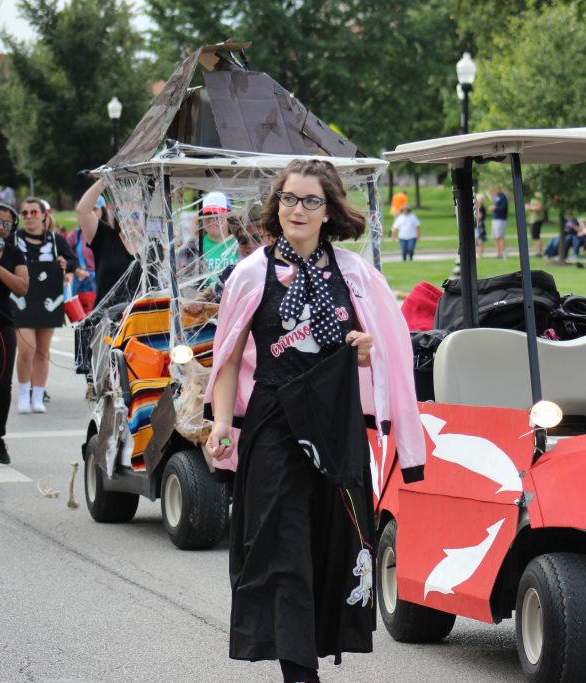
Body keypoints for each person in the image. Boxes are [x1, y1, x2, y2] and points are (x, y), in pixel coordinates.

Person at [204, 158, 426, 682]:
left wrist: (367, 350)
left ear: (329, 211)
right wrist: (219, 422)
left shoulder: (355, 274)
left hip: (336, 427)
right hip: (274, 423)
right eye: (288, 199)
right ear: (275, 204)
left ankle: (312, 652)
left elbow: (384, 354)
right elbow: (229, 357)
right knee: (282, 544)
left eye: (310, 201)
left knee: (331, 544)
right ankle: (300, 673)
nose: (296, 210)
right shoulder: (251, 272)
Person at [14, 197, 75, 414]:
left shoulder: (56, 239)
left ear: (43, 215)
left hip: (49, 300)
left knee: (42, 351)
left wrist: (66, 265)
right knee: (26, 351)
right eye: (25, 213)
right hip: (21, 300)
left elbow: (73, 261)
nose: (29, 217)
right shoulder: (15, 238)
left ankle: (38, 395)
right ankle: (24, 393)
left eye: (33, 212)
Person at [0, 202, 28, 464]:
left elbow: (22, 287)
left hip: (2, 321)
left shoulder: (14, 253)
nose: (0, 228)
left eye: (6, 224)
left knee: (2, 382)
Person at [75, 180, 136, 306]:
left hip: (143, 318)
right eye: (125, 214)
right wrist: (105, 179)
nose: (130, 219)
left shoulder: (152, 245)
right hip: (107, 320)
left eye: (135, 215)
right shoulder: (105, 237)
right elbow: (83, 211)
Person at [178, 191, 238, 287]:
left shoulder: (241, 245)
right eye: (207, 215)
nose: (211, 220)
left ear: (228, 216)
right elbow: (180, 283)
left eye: (217, 216)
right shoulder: (190, 248)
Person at [490, 186, 508, 259]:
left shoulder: (503, 197)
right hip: (495, 218)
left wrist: (495, 208)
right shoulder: (496, 197)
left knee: (500, 236)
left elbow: (503, 207)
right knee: (496, 237)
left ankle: (503, 253)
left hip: (501, 219)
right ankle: (498, 253)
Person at [526, 191, 545, 257]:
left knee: (536, 236)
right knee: (534, 237)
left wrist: (529, 207)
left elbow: (539, 207)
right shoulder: (533, 196)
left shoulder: (539, 195)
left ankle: (539, 253)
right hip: (532, 219)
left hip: (537, 219)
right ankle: (537, 252)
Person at [474, 193, 487, 259]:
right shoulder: (477, 208)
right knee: (476, 241)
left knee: (480, 240)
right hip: (476, 226)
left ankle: (480, 254)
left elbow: (479, 216)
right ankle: (477, 253)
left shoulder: (481, 208)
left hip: (480, 226)